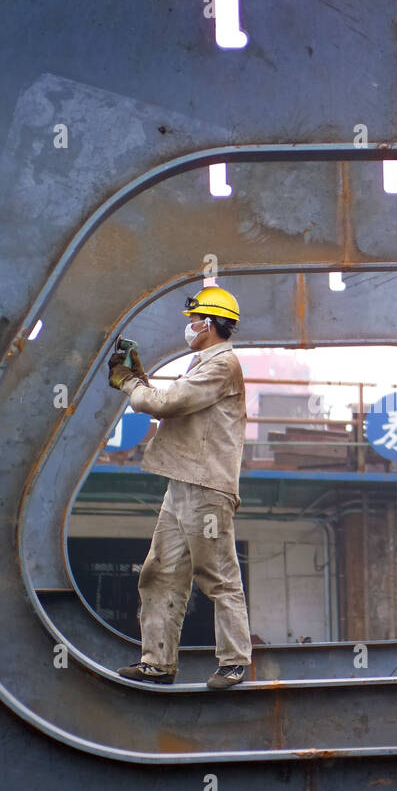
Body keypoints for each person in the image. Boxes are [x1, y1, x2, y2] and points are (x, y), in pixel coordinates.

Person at [106, 287, 252, 688]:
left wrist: (129, 385)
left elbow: (169, 404)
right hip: (183, 484)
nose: (189, 327)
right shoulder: (204, 365)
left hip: (207, 487)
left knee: (218, 575)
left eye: (194, 320)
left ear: (209, 324)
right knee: (159, 572)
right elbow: (178, 404)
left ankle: (234, 663)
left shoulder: (222, 365)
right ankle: (157, 663)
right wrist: (140, 381)